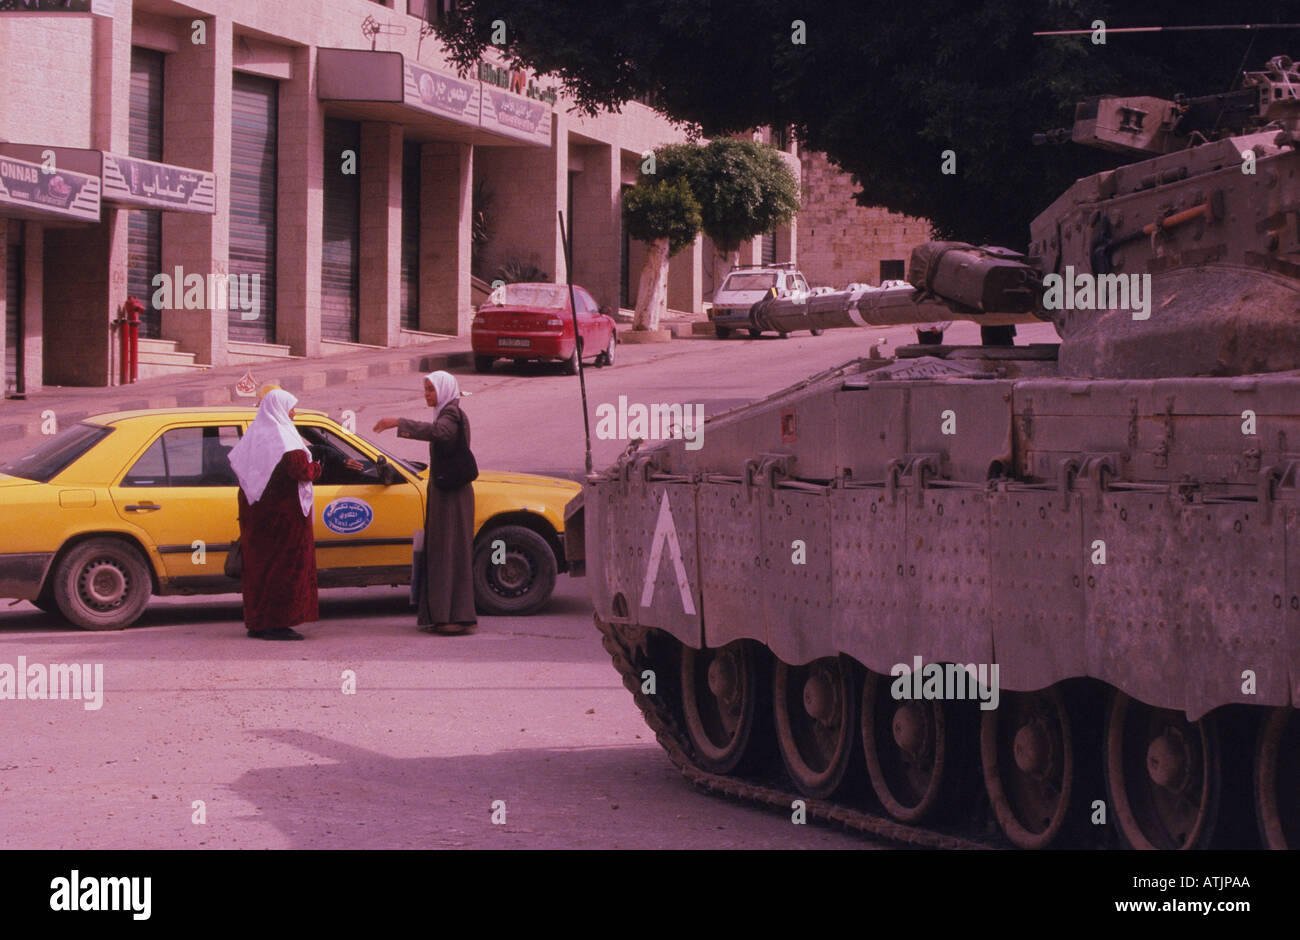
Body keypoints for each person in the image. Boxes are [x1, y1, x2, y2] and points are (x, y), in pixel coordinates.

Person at [373, 371, 478, 635]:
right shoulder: (448, 412)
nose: (427, 394)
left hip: (452, 494)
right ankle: (446, 615)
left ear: (443, 390)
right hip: (447, 491)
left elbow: (440, 433)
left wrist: (397, 422)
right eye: (426, 389)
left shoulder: (451, 414)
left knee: (448, 550)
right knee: (444, 550)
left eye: (431, 389)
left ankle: (452, 616)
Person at [228, 388, 322, 640]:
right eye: (291, 407)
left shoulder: (257, 434)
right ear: (279, 408)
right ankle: (277, 623)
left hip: (257, 516)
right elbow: (302, 471)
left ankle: (258, 622)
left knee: (260, 570)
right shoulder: (283, 439)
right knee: (283, 569)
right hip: (283, 520)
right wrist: (318, 466)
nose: (294, 412)